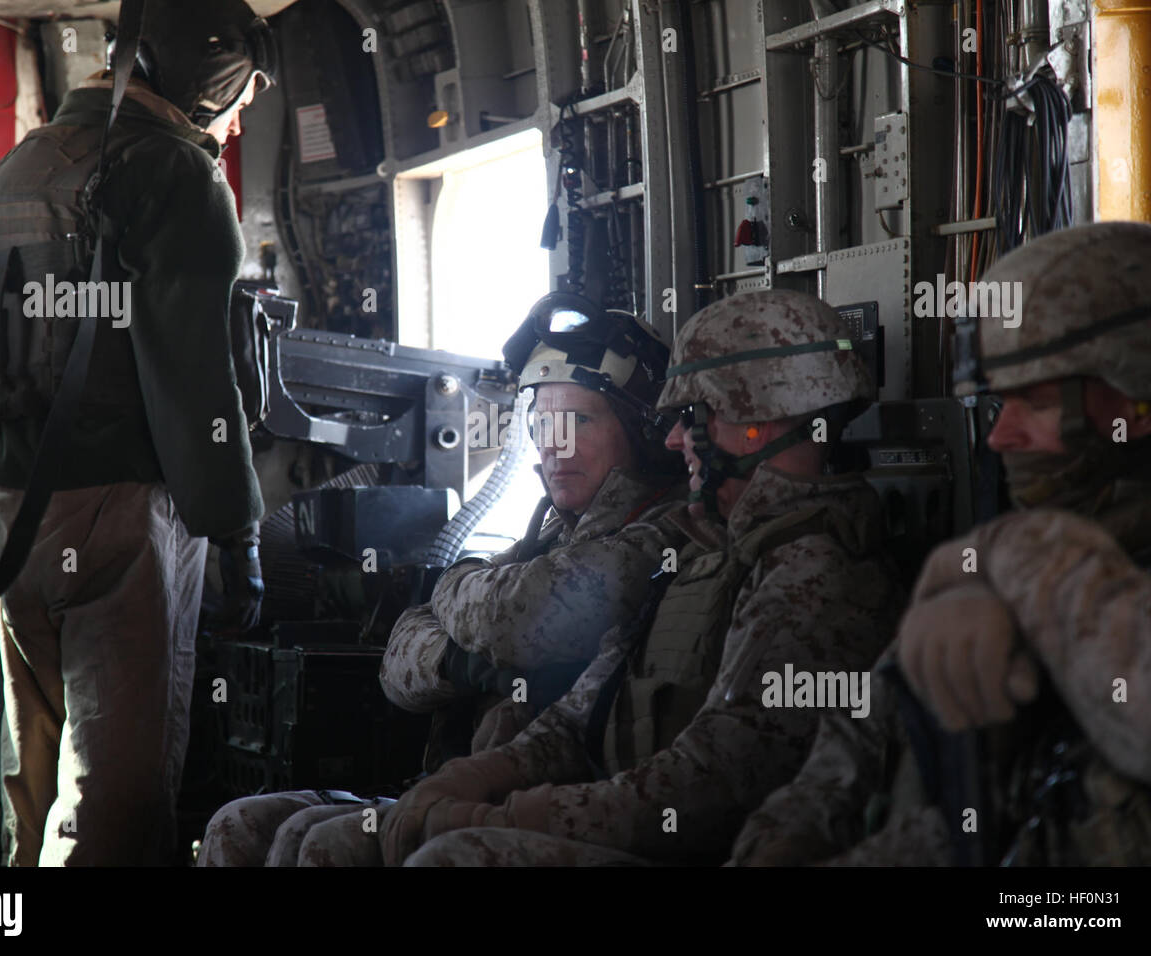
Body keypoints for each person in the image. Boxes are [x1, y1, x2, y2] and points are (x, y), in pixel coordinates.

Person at [294, 289, 903, 866]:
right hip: (601, 816)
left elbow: (701, 787)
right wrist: (464, 782)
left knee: (452, 858)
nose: (674, 438)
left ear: (757, 422)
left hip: (665, 840)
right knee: (307, 835)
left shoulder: (812, 575)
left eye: (694, 415)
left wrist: (493, 816)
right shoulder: (707, 548)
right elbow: (577, 718)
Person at [730, 220, 1151, 867]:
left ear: (1136, 407)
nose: (1000, 437)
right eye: (998, 406)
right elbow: (848, 754)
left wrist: (1016, 554)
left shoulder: (1035, 562)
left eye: (1034, 403)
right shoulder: (1026, 570)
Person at [197, 295, 689, 865]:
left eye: (579, 420)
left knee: (324, 844)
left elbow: (523, 617)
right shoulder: (547, 539)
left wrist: (452, 590)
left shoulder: (661, 536)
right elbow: (396, 667)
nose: (554, 444)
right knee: (244, 825)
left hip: (558, 807)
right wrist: (456, 662)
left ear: (645, 432)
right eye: (542, 423)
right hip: (462, 791)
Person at [0, 0, 275, 865]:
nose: (241, 111)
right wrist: (236, 531)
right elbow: (195, 379)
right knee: (119, 788)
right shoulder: (173, 171)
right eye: (240, 90)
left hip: (18, 505)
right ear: (207, 79)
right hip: (126, 512)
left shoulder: (18, 167)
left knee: (34, 761)